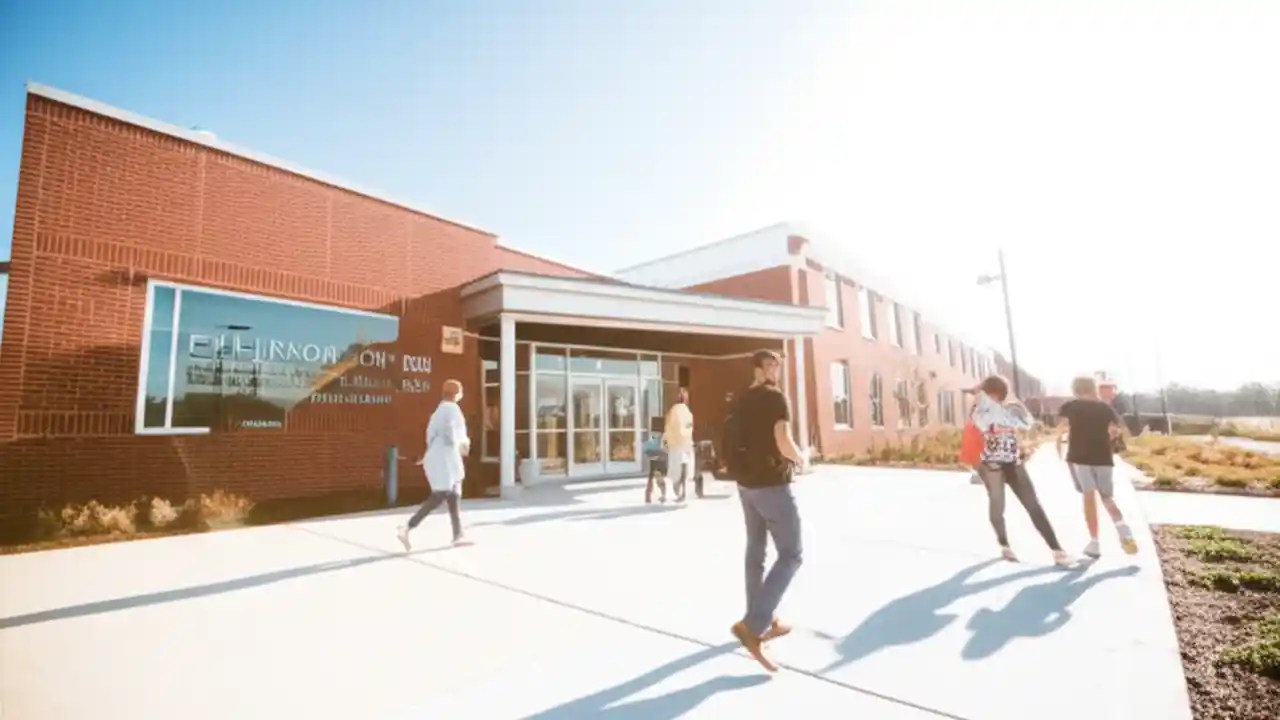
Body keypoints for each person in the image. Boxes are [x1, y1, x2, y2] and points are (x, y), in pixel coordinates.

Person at [730, 350, 807, 672]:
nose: (776, 369)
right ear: (759, 369)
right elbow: (782, 438)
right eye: (771, 364)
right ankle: (753, 625)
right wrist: (801, 459)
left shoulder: (742, 398)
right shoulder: (776, 398)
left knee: (756, 551)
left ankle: (760, 617)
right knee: (792, 554)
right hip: (771, 485)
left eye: (777, 364)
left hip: (746, 485)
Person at [971, 375, 1071, 567]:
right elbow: (983, 423)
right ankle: (1005, 545)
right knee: (997, 506)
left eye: (991, 394)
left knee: (1033, 505)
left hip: (1014, 463)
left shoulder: (1012, 409)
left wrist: (1014, 402)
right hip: (992, 466)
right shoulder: (980, 412)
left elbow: (1026, 422)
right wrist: (982, 401)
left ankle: (1057, 549)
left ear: (999, 394)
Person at [1056, 376, 1139, 558]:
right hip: (1103, 458)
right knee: (1107, 498)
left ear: (1075, 389)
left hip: (1080, 458)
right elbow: (1114, 431)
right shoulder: (1106, 408)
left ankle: (1094, 543)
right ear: (1093, 389)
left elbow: (1061, 428)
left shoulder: (1070, 407)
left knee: (1089, 498)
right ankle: (1124, 530)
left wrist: (1059, 446)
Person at [397, 379, 472, 550]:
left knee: (453, 494)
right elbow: (452, 433)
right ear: (457, 393)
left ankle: (458, 534)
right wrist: (462, 445)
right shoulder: (451, 410)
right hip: (445, 457)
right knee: (441, 494)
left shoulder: (438, 411)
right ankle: (407, 527)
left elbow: (430, 435)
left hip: (442, 457)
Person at [664, 387, 696, 503]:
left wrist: (667, 441)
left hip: (677, 445)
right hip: (686, 444)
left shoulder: (674, 410)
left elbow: (669, 427)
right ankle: (683, 492)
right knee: (684, 470)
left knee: (677, 471)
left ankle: (680, 492)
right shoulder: (687, 411)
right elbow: (690, 426)